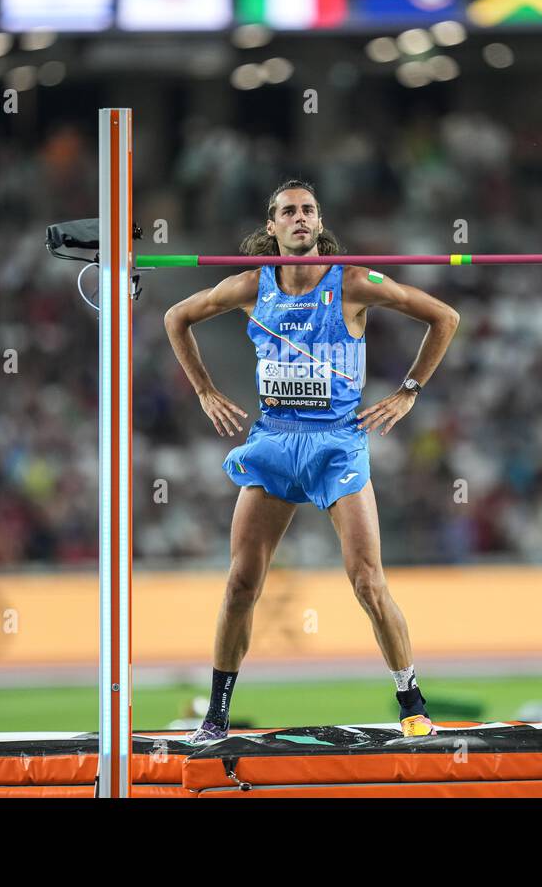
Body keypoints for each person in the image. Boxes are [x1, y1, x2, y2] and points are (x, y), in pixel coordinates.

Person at [163, 179, 460, 741]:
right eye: (288, 212)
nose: (300, 218)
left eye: (309, 211)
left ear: (319, 225)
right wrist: (204, 390)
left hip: (336, 444)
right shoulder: (251, 286)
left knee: (368, 581)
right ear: (271, 227)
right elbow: (175, 316)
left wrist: (409, 390)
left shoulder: (353, 283)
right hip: (274, 442)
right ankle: (215, 717)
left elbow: (444, 316)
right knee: (240, 585)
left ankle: (412, 703)